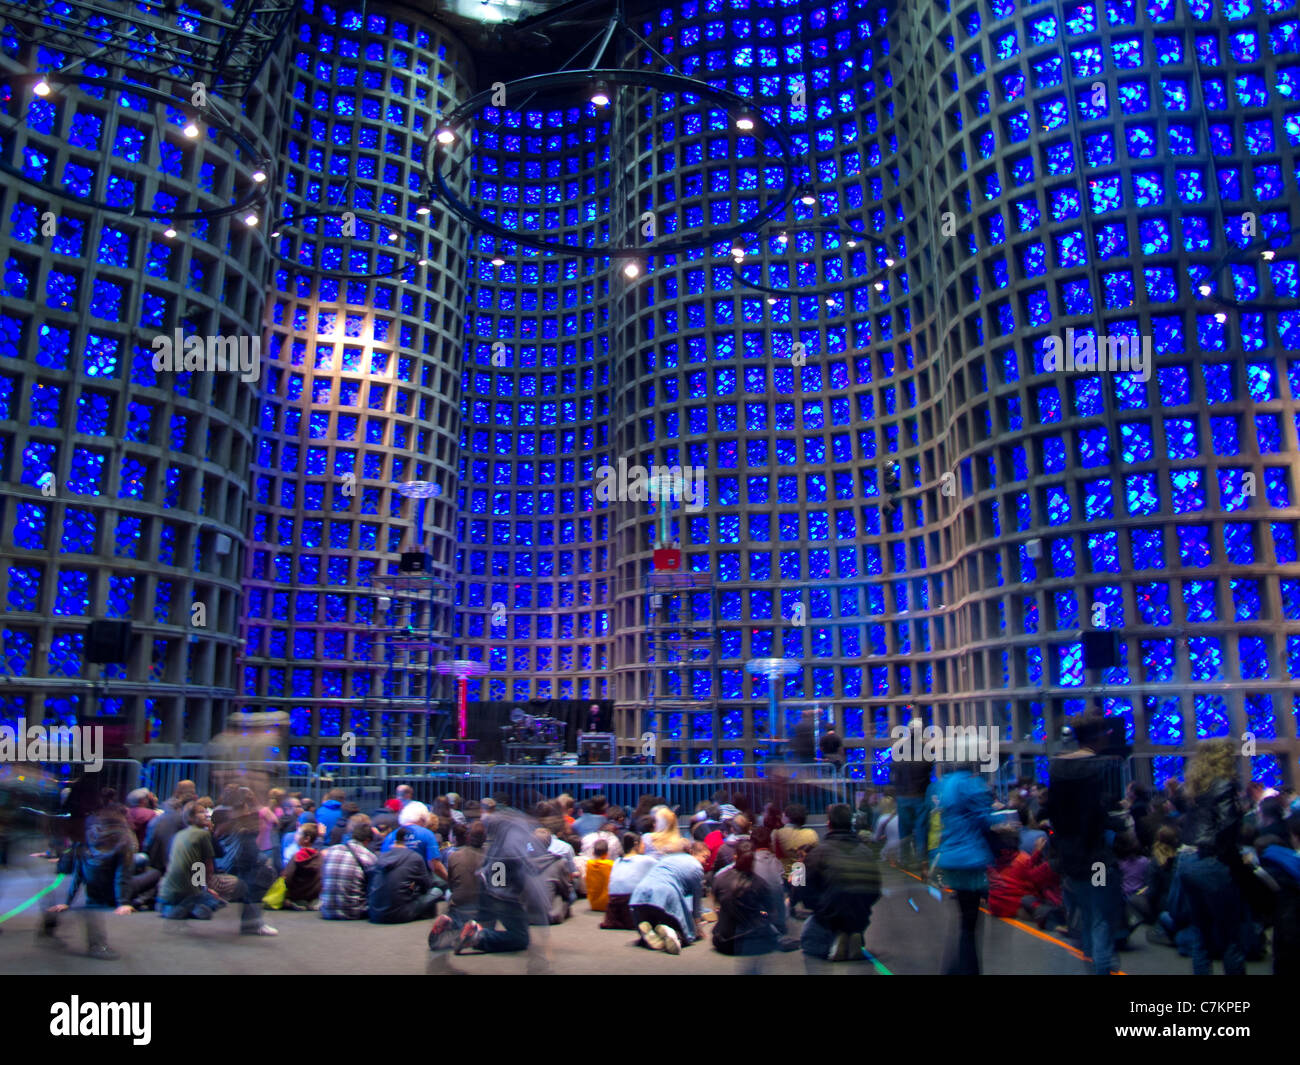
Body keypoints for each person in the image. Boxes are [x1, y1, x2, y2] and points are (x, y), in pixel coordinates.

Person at [1047, 712, 1126, 975]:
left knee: (1087, 918)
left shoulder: (1056, 767)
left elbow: (1052, 812)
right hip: (1098, 859)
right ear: (1098, 736)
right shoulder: (1104, 767)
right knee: (1102, 919)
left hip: (1070, 858)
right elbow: (1109, 815)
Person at [1170, 738, 1251, 975]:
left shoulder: (1195, 785)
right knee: (1229, 936)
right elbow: (1227, 825)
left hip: (1186, 859)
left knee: (1200, 934)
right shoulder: (1225, 784)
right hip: (1210, 859)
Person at [42, 811, 136, 960]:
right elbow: (122, 875)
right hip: (110, 893)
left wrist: (67, 902)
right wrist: (123, 902)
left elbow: (78, 874)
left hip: (91, 892)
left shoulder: (85, 839)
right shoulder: (124, 841)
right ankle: (97, 945)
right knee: (146, 866)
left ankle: (49, 929)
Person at [800, 803, 881, 962]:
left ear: (829, 824)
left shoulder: (818, 853)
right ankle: (852, 935)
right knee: (849, 917)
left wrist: (817, 908)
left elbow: (804, 890)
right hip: (860, 914)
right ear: (850, 823)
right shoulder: (867, 852)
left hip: (830, 914)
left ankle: (834, 940)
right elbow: (875, 889)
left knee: (807, 940)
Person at [935, 763, 994, 975]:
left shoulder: (945, 784)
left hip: (951, 856)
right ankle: (968, 970)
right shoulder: (971, 783)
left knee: (963, 918)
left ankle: (953, 968)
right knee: (970, 924)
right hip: (970, 858)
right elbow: (984, 819)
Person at [630, 841, 710, 953]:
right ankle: (672, 932)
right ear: (692, 852)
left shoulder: (669, 858)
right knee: (686, 934)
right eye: (705, 857)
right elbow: (696, 901)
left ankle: (651, 930)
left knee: (653, 917)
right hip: (665, 892)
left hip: (640, 893)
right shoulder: (697, 868)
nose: (707, 862)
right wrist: (697, 926)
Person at [713, 839, 783, 959]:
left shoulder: (720, 878)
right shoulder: (760, 883)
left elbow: (717, 906)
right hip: (754, 943)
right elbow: (772, 913)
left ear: (735, 856)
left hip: (724, 943)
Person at [428, 820, 487, 949]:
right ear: (485, 838)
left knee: (451, 894)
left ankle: (451, 921)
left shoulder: (453, 856)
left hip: (458, 904)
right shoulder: (494, 857)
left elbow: (452, 884)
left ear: (468, 837)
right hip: (482, 907)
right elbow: (499, 887)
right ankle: (473, 928)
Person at [368, 826, 441, 924]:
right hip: (400, 914)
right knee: (436, 891)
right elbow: (426, 886)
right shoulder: (414, 857)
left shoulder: (380, 857)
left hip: (375, 914)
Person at [320, 813, 378, 920]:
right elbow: (374, 887)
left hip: (326, 910)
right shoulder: (369, 857)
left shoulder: (332, 850)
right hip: (353, 912)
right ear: (367, 841)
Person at [892, 718, 932, 866]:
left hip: (902, 795)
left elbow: (894, 770)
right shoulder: (924, 749)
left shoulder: (900, 748)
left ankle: (905, 858)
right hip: (920, 795)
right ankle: (922, 859)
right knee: (921, 828)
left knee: (904, 828)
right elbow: (928, 767)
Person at [603, 832, 657, 930]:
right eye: (643, 843)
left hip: (613, 903)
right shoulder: (646, 860)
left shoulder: (617, 861)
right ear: (636, 844)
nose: (644, 846)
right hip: (632, 902)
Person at [282, 822, 324, 910]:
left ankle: (298, 902)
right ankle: (313, 902)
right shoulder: (319, 856)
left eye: (298, 833)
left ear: (307, 839)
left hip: (298, 894)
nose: (295, 835)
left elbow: (288, 876)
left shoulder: (296, 856)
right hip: (314, 894)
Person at [586, 838, 614, 912]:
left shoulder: (589, 864)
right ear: (607, 854)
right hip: (607, 904)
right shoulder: (610, 864)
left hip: (593, 904)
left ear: (593, 853)